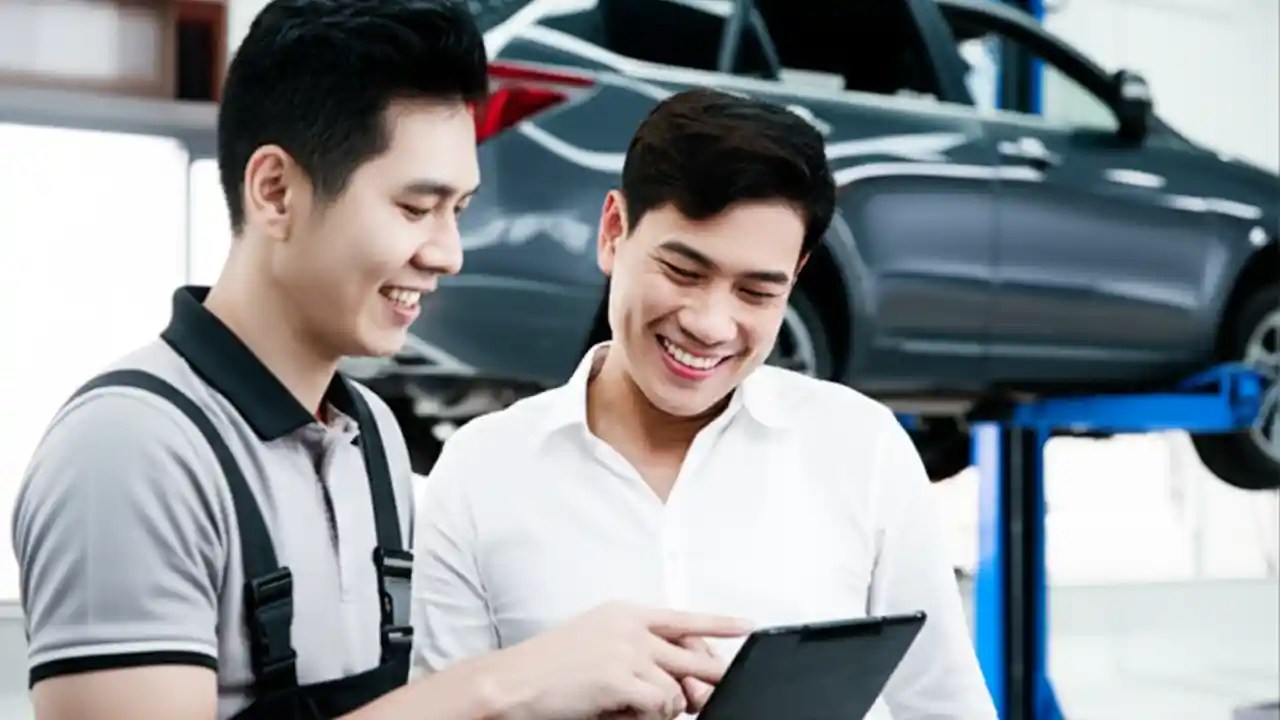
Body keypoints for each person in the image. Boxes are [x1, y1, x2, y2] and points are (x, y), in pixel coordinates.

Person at [9, 3, 751, 719]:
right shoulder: (129, 452)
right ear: (275, 192)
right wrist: (501, 688)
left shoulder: (372, 438)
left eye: (457, 210)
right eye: (415, 207)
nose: (447, 254)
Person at [409, 87, 1000, 718]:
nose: (712, 325)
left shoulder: (861, 449)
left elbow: (944, 707)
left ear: (794, 278)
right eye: (684, 273)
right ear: (614, 231)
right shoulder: (480, 473)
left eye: (756, 292)